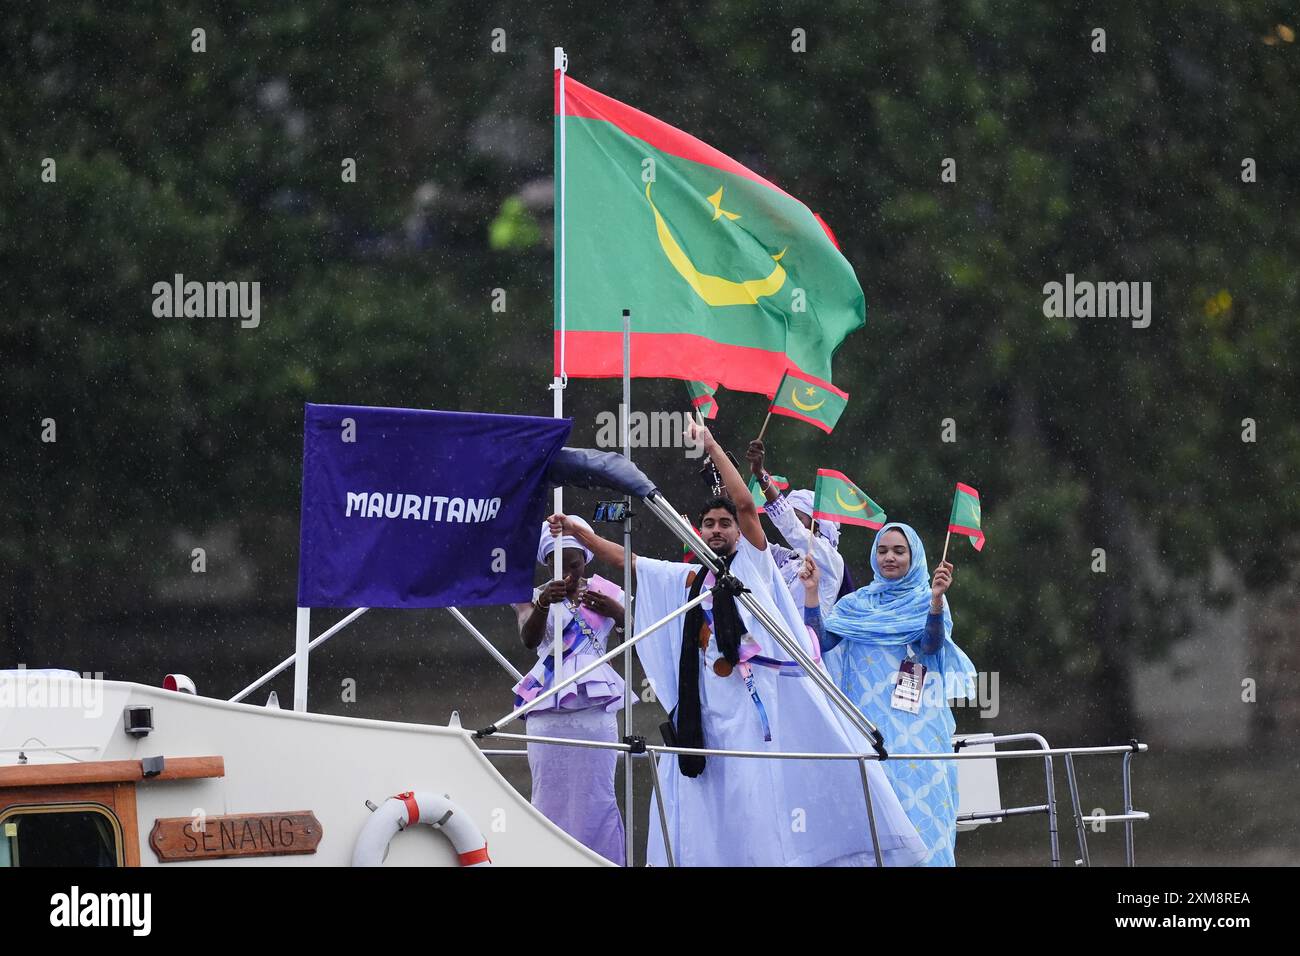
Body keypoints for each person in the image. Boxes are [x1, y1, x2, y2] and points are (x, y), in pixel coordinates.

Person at [549, 423, 926, 867]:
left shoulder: (754, 564)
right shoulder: (693, 580)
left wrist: (711, 446)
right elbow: (630, 561)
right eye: (708, 524)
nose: (715, 530)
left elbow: (747, 504)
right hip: (707, 713)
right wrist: (582, 532)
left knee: (758, 800)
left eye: (723, 523)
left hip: (759, 711)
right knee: (718, 806)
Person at [813, 522, 976, 867]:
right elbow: (821, 643)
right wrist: (811, 595)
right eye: (883, 550)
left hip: (917, 734)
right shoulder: (855, 604)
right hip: (865, 732)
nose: (889, 557)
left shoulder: (928, 599)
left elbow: (930, 646)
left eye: (899, 551)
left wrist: (935, 601)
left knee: (922, 818)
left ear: (913, 557)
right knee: (869, 823)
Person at [511, 515, 629, 864]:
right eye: (556, 563)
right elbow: (529, 641)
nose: (566, 570)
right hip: (548, 714)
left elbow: (637, 638)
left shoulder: (609, 592)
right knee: (548, 799)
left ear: (585, 559)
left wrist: (617, 612)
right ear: (546, 563)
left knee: (597, 798)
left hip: (595, 714)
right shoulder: (533, 598)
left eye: (573, 562)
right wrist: (544, 605)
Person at [746, 438, 849, 619]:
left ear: (815, 525)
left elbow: (793, 529)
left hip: (805, 645)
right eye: (793, 516)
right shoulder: (790, 559)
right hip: (777, 640)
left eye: (799, 517)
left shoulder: (830, 560)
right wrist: (725, 497)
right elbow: (752, 543)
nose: (795, 521)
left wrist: (762, 476)